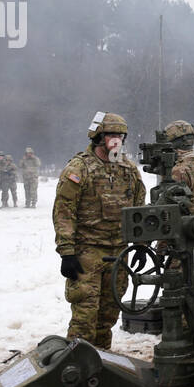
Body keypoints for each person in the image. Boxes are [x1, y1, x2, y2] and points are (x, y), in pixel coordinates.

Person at [52, 112, 145, 349]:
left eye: (120, 135)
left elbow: (139, 209)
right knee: (85, 318)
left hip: (118, 253)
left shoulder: (128, 169)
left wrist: (142, 245)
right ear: (98, 137)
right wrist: (67, 252)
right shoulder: (79, 168)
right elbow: (64, 211)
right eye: (111, 135)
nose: (116, 140)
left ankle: (103, 368)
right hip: (87, 253)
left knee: (107, 317)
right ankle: (76, 369)